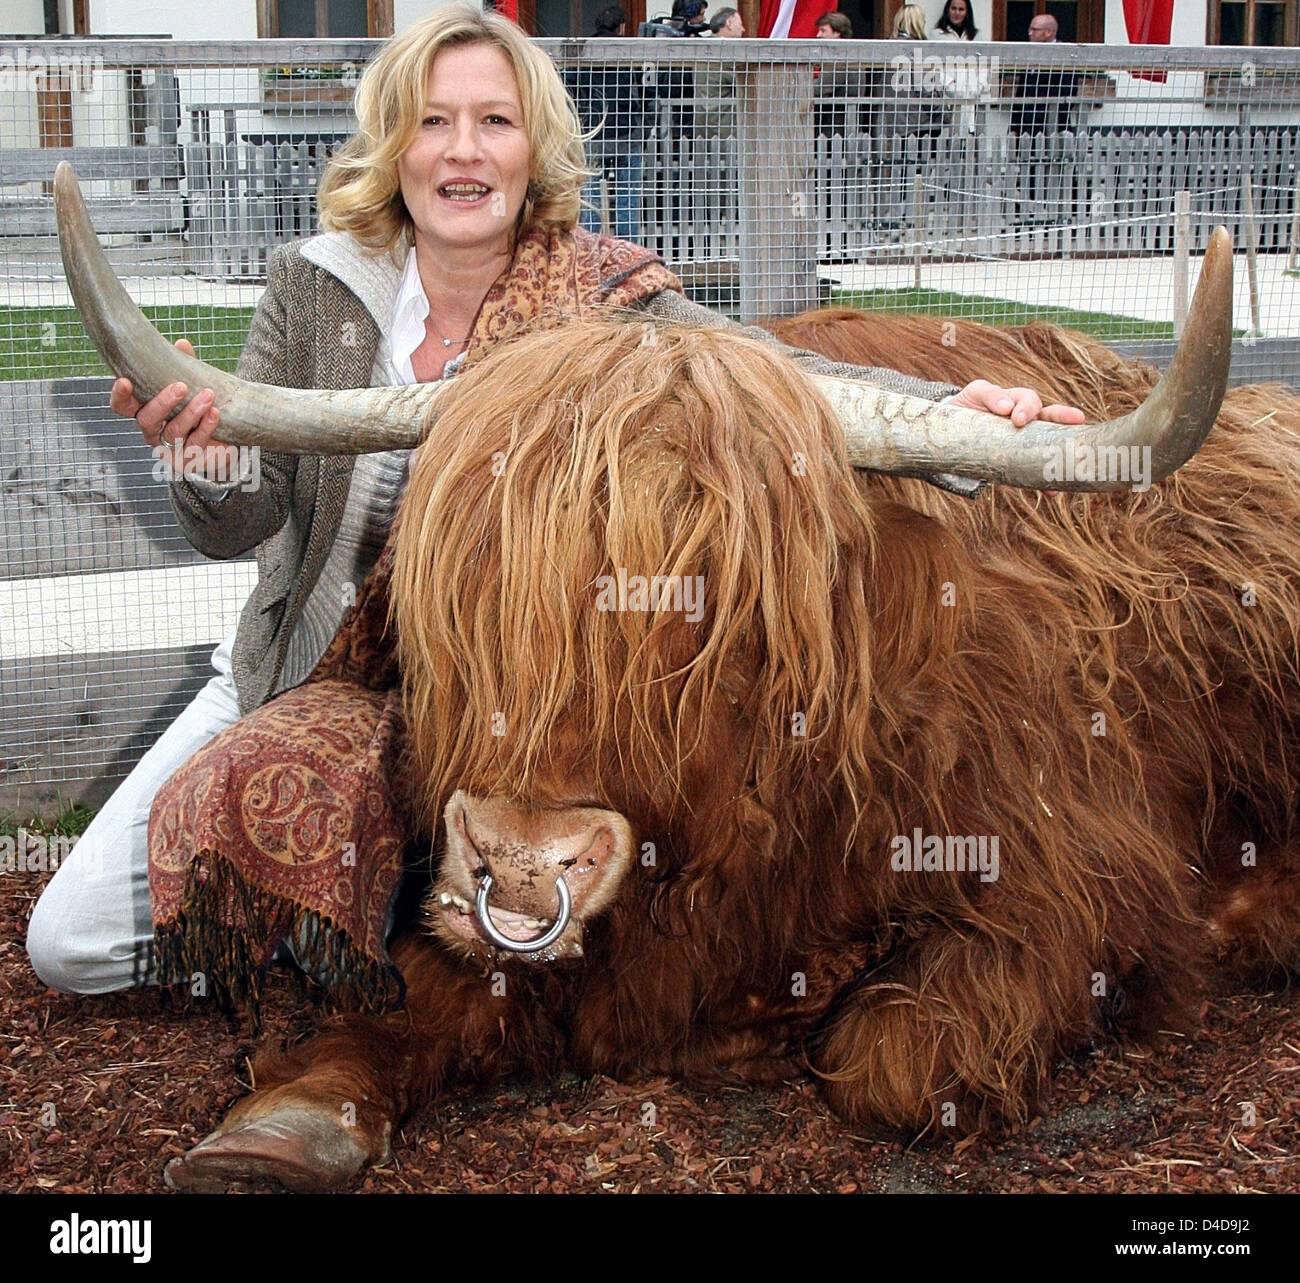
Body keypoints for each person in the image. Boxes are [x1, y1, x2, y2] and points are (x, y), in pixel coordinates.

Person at [26, 3, 1083, 998]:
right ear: (393, 147)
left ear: (534, 150)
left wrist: (949, 407)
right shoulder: (314, 283)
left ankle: (376, 927)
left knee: (477, 905)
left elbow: (774, 371)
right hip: (305, 667)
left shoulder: (606, 299)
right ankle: (336, 925)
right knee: (70, 943)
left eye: (495, 121)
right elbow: (242, 527)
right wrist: (205, 459)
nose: (464, 151)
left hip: (512, 698)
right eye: (432, 122)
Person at [564, 5, 646, 239]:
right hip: (627, 134)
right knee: (627, 198)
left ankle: (590, 248)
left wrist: (579, 122)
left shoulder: (582, 52)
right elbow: (646, 91)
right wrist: (645, 123)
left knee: (590, 198)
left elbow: (569, 91)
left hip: (593, 133)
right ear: (622, 27)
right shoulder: (630, 53)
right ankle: (628, 250)